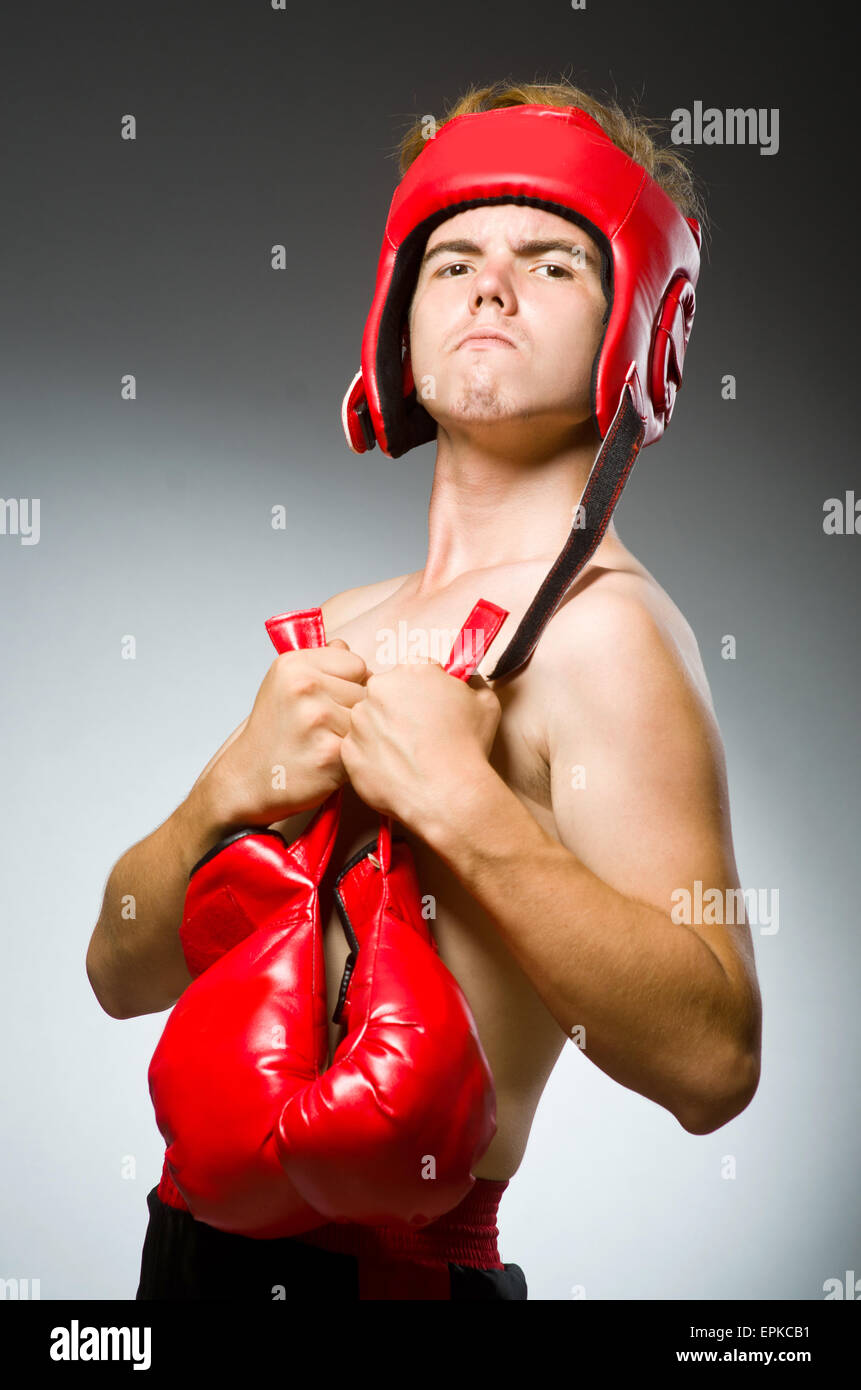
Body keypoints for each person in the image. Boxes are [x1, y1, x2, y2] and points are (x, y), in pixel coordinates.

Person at [87, 78, 763, 1301]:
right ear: (400, 321)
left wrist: (469, 810)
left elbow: (715, 1063)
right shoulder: (338, 628)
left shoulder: (606, 636)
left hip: (391, 1284)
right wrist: (218, 797)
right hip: (180, 1259)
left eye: (554, 263)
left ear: (640, 332)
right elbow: (120, 974)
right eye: (454, 259)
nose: (492, 285)